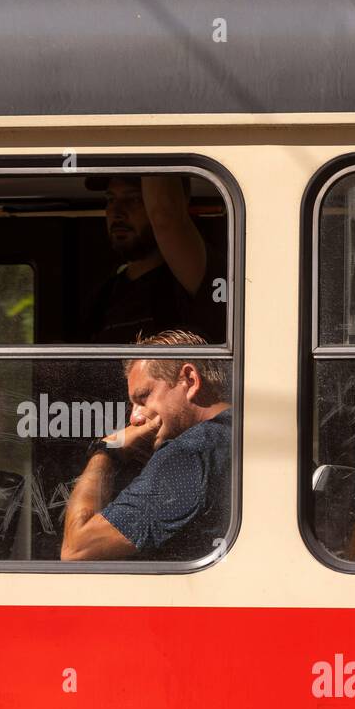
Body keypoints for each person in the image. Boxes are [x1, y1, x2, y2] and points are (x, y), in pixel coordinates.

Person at [61, 330, 232, 561]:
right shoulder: (239, 433)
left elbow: (77, 548)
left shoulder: (188, 455)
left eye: (143, 398)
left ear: (189, 380)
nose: (135, 418)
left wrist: (107, 449)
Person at [81, 175, 225, 344]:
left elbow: (165, 216)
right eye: (111, 199)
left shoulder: (192, 277)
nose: (117, 212)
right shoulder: (103, 296)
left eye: (134, 199)